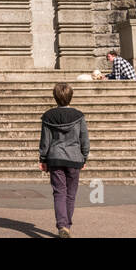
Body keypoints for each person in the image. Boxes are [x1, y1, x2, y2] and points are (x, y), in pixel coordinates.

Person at [38, 82, 89, 238]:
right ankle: (67, 225)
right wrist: (84, 157)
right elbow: (84, 138)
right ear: (71, 96)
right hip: (74, 158)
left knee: (59, 192)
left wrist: (43, 158)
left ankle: (62, 225)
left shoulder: (48, 116)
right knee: (71, 194)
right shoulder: (79, 116)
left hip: (55, 158)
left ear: (55, 97)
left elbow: (45, 140)